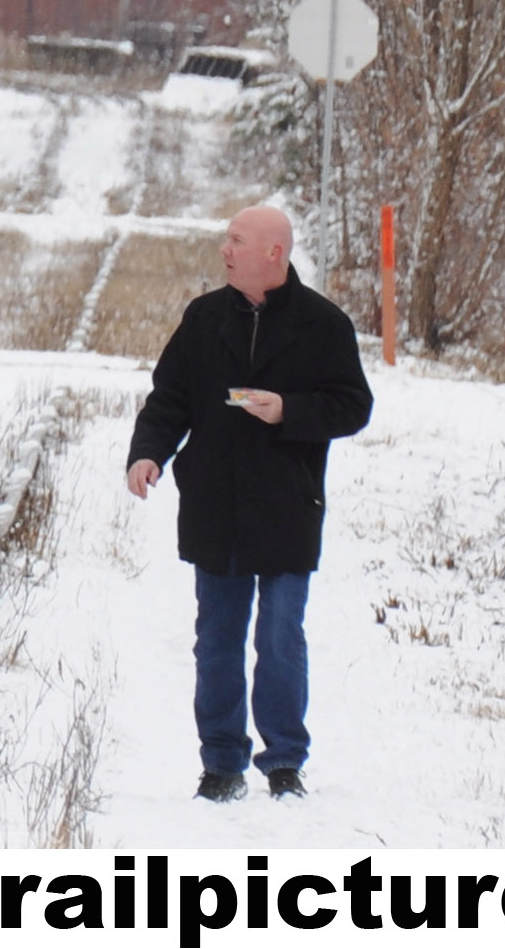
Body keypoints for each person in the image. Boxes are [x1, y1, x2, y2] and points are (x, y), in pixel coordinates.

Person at [126, 202, 373, 801]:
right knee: (218, 637)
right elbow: (170, 398)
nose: (225, 250)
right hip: (216, 505)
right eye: (226, 239)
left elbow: (353, 405)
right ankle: (222, 762)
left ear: (274, 253)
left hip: (288, 506)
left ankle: (284, 758)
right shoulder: (204, 318)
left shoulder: (324, 325)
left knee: (281, 635)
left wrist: (289, 409)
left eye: (237, 240)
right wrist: (147, 452)